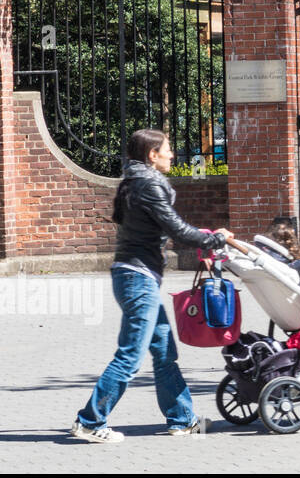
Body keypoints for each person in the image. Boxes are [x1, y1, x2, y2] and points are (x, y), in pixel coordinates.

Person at [72, 129, 233, 443]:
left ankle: (182, 419)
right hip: (138, 279)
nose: (172, 155)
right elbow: (177, 229)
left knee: (163, 352)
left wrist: (206, 237)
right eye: (168, 149)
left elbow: (170, 227)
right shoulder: (149, 185)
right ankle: (90, 421)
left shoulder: (136, 182)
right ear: (152, 154)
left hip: (136, 277)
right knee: (130, 356)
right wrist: (215, 239)